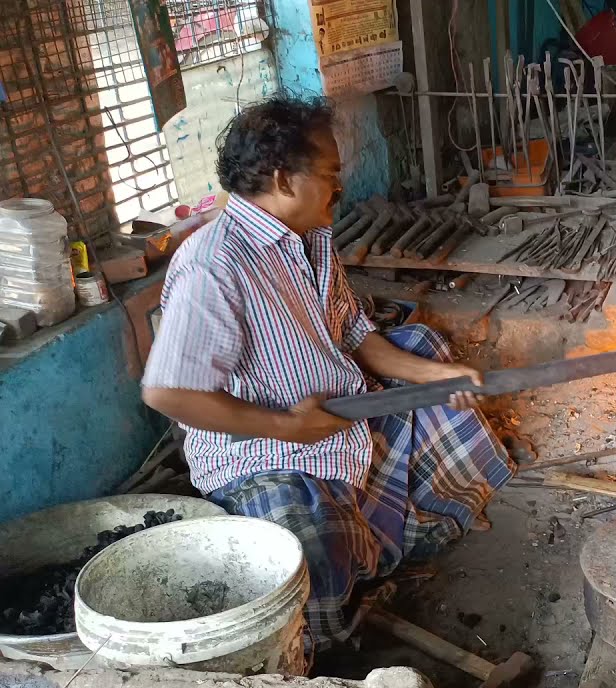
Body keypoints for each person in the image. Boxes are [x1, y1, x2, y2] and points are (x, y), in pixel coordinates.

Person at [141, 96, 514, 657]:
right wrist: (285, 427)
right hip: (265, 453)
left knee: (424, 346)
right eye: (331, 176)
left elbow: (357, 335)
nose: (340, 189)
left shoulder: (312, 242)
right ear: (282, 179)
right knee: (305, 550)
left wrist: (438, 374)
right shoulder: (212, 266)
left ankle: (387, 527)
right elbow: (167, 392)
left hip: (337, 418)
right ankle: (333, 644)